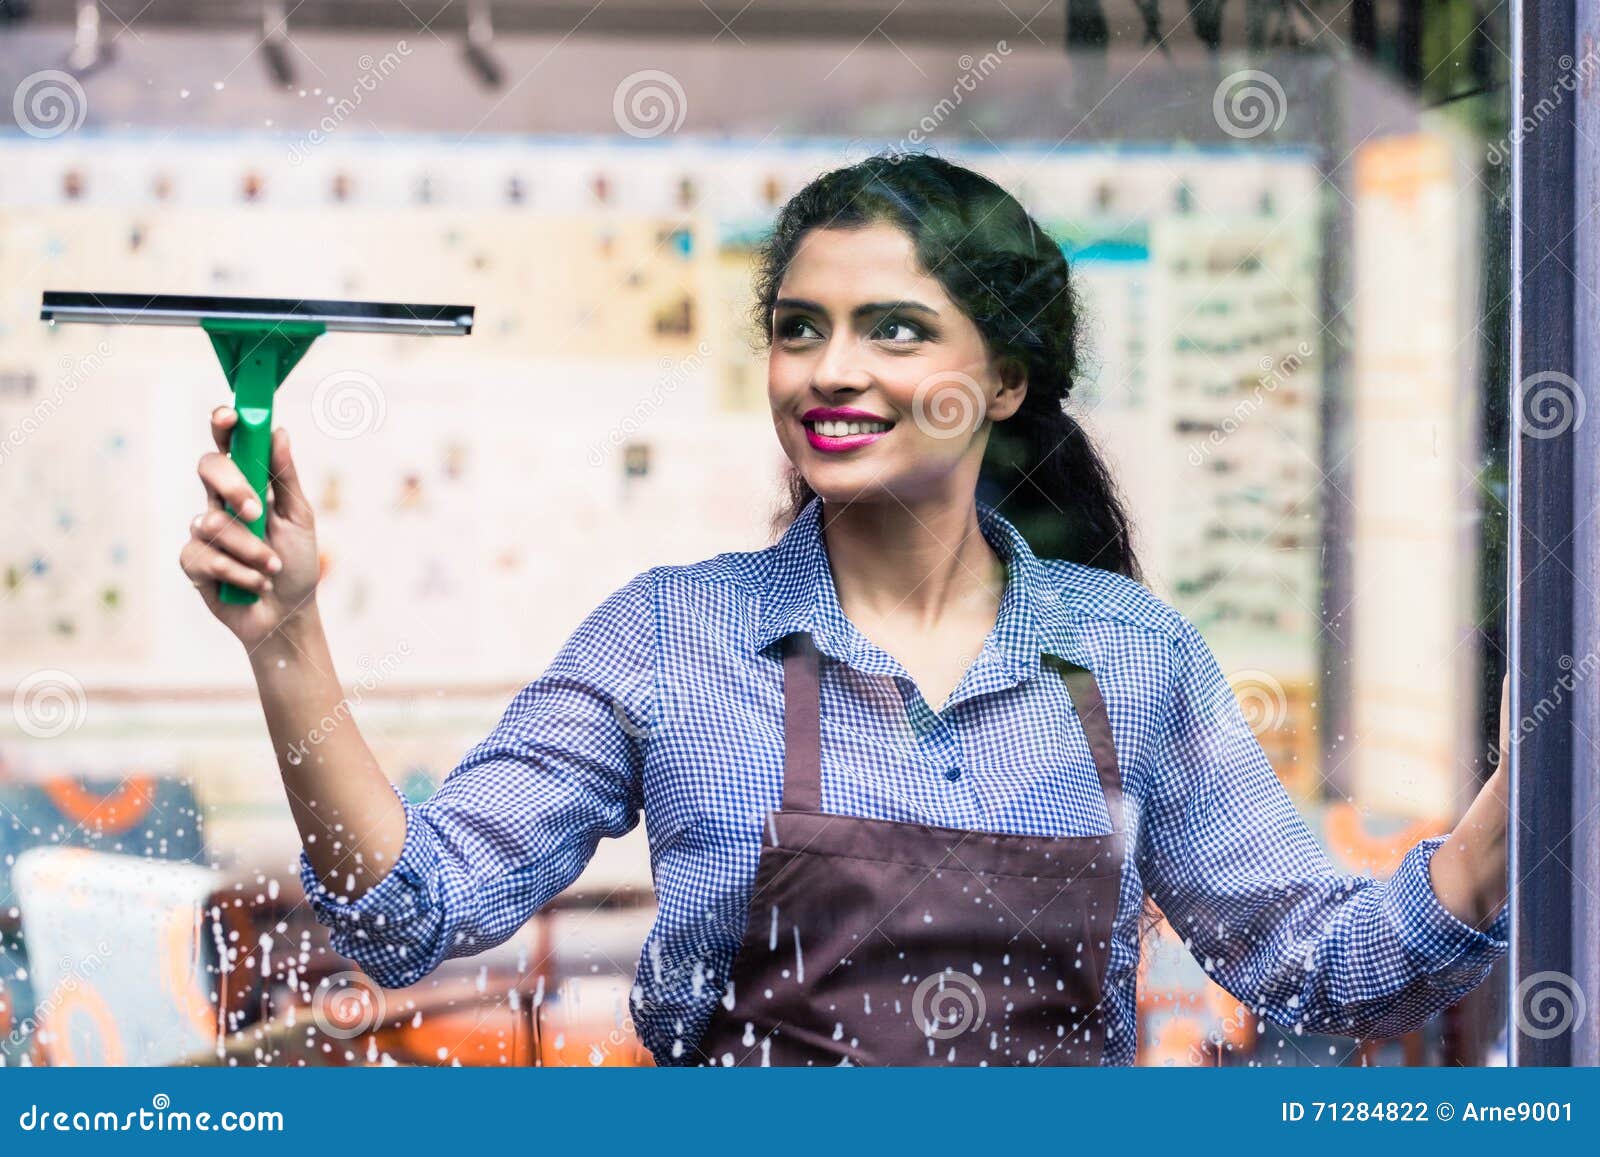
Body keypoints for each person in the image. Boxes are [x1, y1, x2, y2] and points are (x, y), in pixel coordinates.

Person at [179, 151, 1510, 1067]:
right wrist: (287, 640)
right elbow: (405, 915)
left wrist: (1508, 821)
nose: (833, 370)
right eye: (800, 326)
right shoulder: (673, 637)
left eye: (895, 328)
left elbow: (1320, 961)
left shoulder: (1130, 655)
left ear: (1004, 381)